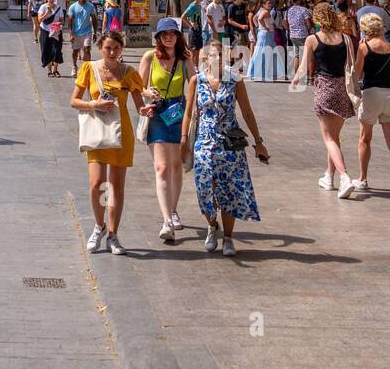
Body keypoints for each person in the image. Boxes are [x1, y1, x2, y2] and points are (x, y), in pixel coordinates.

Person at [182, 41, 269, 256]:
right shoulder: (196, 80)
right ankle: (212, 227)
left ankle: (228, 238)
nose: (218, 59)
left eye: (221, 55)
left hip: (229, 143)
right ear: (205, 58)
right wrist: (184, 140)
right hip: (204, 142)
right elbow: (189, 112)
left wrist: (258, 141)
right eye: (213, 55)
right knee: (205, 189)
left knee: (229, 190)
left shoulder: (235, 80)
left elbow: (247, 112)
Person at [71, 31, 146, 256]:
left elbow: (139, 105)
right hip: (97, 133)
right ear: (100, 48)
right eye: (108, 48)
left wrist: (147, 110)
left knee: (116, 187)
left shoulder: (129, 73)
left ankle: (113, 234)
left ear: (122, 49)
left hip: (121, 135)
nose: (112, 52)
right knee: (96, 185)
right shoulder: (89, 69)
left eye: (116, 48)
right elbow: (74, 101)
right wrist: (95, 104)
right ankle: (99, 225)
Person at [294, 2, 356, 198]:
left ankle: (344, 177)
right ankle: (328, 177)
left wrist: (295, 80)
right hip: (342, 89)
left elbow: (304, 67)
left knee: (328, 139)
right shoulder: (345, 38)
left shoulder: (313, 39)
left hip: (324, 88)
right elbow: (351, 65)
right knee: (335, 138)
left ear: (317, 18)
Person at [138, 17, 190, 243]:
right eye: (164, 33)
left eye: (173, 33)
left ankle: (174, 209)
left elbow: (194, 84)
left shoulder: (184, 59)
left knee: (177, 165)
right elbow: (139, 87)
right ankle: (166, 219)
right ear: (158, 37)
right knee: (162, 167)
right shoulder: (149, 57)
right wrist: (149, 94)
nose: (169, 37)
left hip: (178, 112)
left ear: (178, 36)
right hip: (157, 113)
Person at [353, 12, 390, 191]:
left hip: (372, 93)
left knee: (365, 138)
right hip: (389, 94)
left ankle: (363, 179)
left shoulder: (364, 47)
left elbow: (358, 73)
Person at [247, 0, 283, 82]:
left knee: (260, 53)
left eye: (270, 3)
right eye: (268, 3)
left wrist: (260, 27)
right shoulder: (265, 12)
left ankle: (257, 73)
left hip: (265, 33)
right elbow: (259, 19)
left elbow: (255, 19)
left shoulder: (261, 11)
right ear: (264, 4)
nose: (270, 5)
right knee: (266, 53)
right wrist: (264, 27)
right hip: (266, 34)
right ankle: (264, 74)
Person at [67, 0, 97, 77]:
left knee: (87, 49)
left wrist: (95, 32)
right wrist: (71, 34)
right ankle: (74, 66)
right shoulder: (73, 7)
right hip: (76, 32)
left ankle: (86, 68)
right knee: (75, 51)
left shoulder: (90, 6)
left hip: (87, 32)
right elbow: (70, 22)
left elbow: (94, 20)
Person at [38, 0, 65, 77]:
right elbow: (39, 20)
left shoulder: (58, 8)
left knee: (57, 50)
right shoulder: (43, 7)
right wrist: (46, 14)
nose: (51, 0)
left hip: (55, 31)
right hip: (45, 31)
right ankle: (49, 70)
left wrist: (59, 23)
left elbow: (62, 20)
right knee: (46, 50)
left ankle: (55, 70)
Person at [286, 0, 313, 78]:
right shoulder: (304, 10)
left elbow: (285, 23)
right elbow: (308, 24)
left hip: (293, 35)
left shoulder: (289, 11)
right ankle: (309, 76)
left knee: (297, 55)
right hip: (303, 34)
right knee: (307, 55)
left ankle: (297, 75)